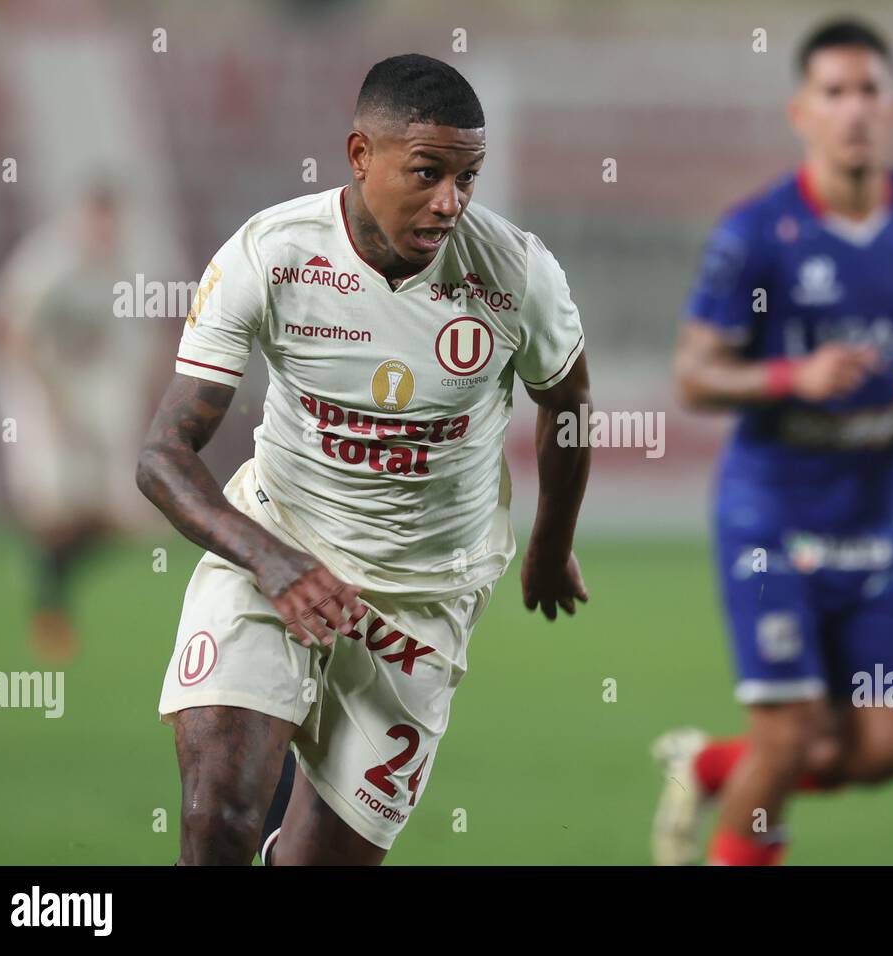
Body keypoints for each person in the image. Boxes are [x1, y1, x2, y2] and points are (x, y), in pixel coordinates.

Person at [138, 54, 591, 865]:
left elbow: (566, 405)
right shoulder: (270, 254)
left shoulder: (517, 274)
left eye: (468, 177)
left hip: (424, 595)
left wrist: (551, 549)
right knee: (218, 823)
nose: (450, 202)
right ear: (359, 155)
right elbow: (163, 455)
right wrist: (274, 563)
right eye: (427, 173)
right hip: (274, 548)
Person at [654, 19, 893, 866]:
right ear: (802, 110)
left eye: (870, 90)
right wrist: (793, 377)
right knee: (791, 738)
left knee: (884, 751)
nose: (855, 109)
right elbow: (691, 375)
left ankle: (713, 764)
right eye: (835, 92)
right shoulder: (759, 233)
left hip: (872, 531)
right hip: (770, 524)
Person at [0, 184, 157, 661]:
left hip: (90, 394)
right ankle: (51, 615)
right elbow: (5, 325)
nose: (106, 232)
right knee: (54, 508)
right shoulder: (48, 259)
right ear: (84, 217)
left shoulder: (117, 267)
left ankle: (45, 573)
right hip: (39, 391)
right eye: (100, 220)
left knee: (117, 518)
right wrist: (43, 397)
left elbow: (129, 339)